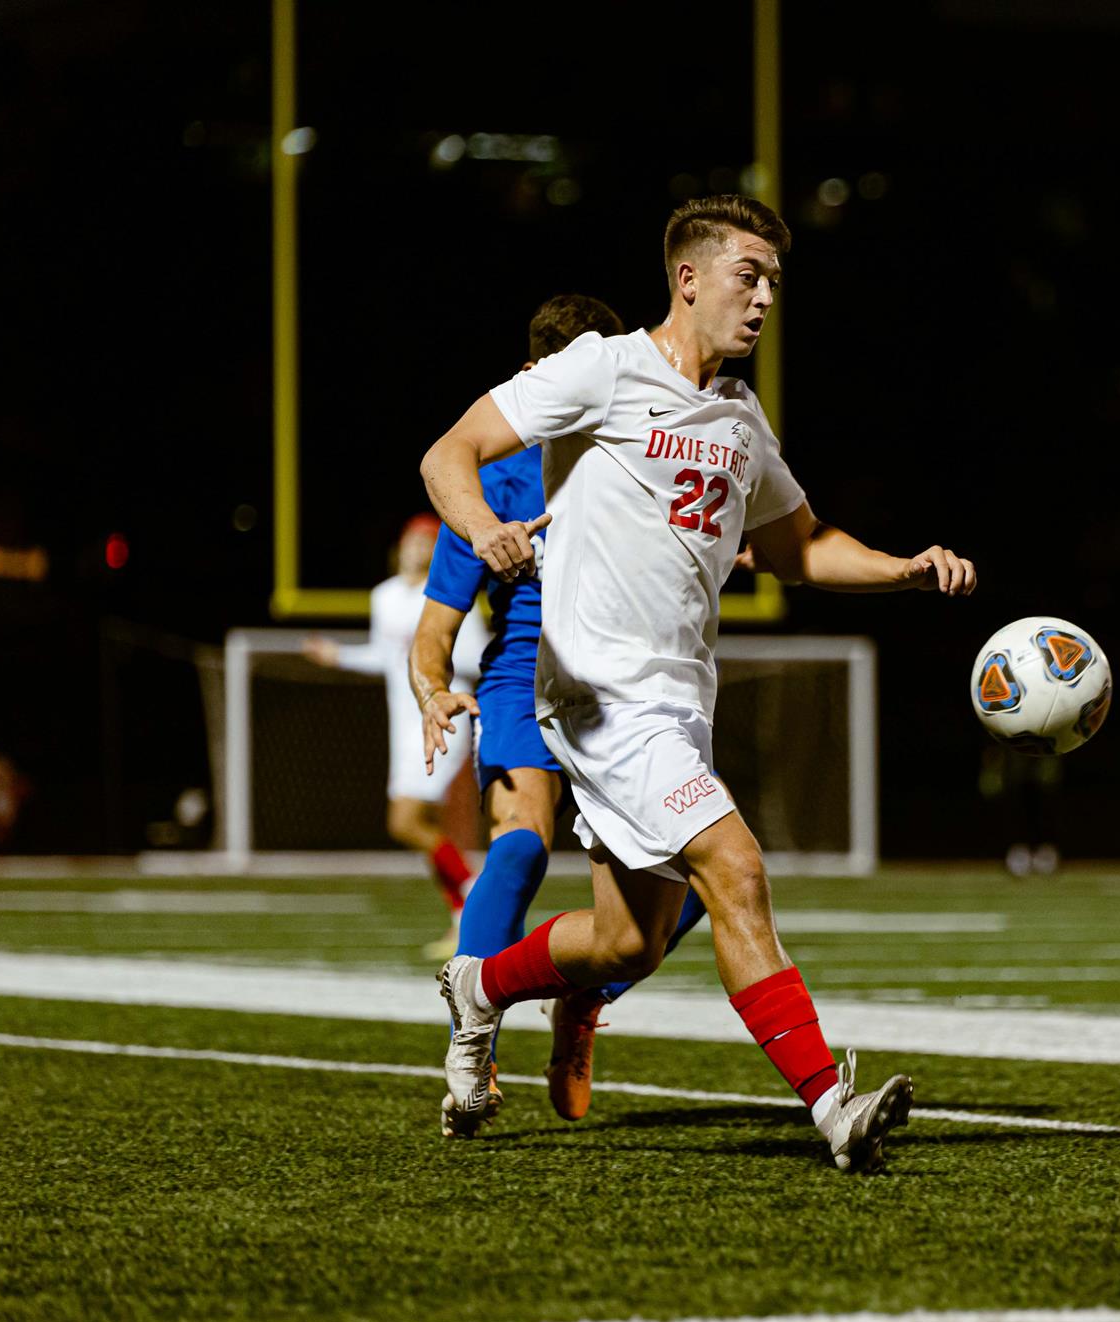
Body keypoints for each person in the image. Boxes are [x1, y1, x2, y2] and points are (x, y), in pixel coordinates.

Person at [419, 194, 977, 1173]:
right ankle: (831, 1106)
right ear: (687, 278)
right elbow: (447, 453)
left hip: (675, 706)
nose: (763, 299)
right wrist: (480, 526)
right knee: (736, 868)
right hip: (597, 696)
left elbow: (797, 549)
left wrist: (902, 568)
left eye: (773, 283)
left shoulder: (737, 415)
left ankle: (478, 986)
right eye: (746, 276)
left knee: (630, 940)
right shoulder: (602, 367)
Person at [413, 292, 707, 1135]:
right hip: (521, 675)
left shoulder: (644, 448)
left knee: (709, 872)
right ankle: (472, 1041)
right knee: (521, 843)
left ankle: (584, 995)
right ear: (544, 375)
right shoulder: (496, 472)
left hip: (619, 683)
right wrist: (435, 690)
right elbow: (435, 630)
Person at [304, 516, 488, 957]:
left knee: (404, 821)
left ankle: (473, 891)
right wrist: (338, 656)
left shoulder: (448, 592)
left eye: (428, 540)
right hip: (402, 726)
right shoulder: (384, 596)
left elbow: (476, 659)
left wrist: (438, 670)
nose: (418, 546)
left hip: (442, 720)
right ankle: (464, 918)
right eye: (413, 538)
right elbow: (385, 658)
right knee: (425, 826)